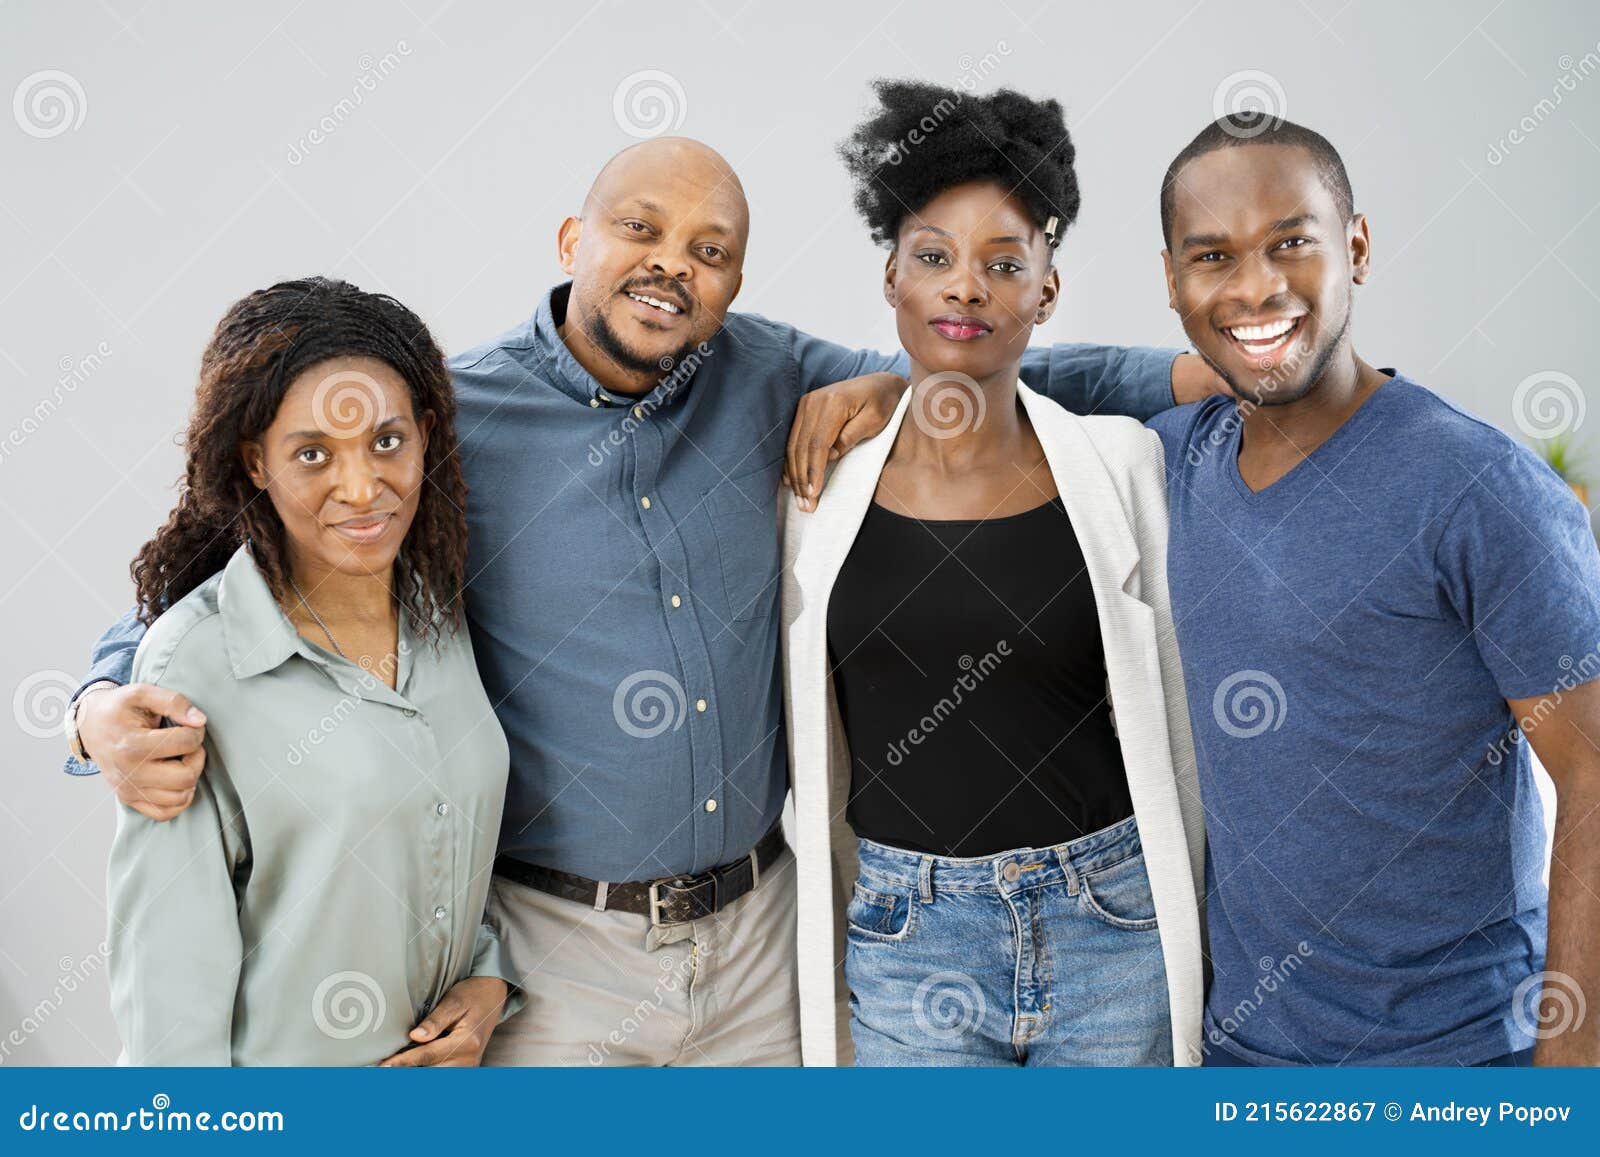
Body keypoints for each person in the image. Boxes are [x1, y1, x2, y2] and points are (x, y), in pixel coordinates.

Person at [65, 138, 1219, 1066]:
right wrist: (103, 697)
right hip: (558, 956)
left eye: (709, 249)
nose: (673, 263)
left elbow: (976, 366)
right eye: (641, 229)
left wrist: (1204, 369)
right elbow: (235, 551)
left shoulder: (768, 374)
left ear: (732, 284)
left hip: (764, 936)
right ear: (573, 241)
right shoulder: (440, 418)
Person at [1149, 114, 1600, 1066]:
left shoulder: (1475, 486)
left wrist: (1573, 1078)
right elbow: (1019, 379)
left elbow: (1595, 776)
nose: (1255, 287)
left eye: (1290, 244)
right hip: (1243, 1055)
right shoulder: (1178, 459)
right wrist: (895, 384)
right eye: (1213, 257)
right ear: (1174, 282)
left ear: (1355, 246)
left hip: (1461, 1056)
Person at [782, 82, 1204, 1066]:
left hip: (1114, 923)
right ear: (892, 276)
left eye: (1002, 264)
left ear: (1045, 291)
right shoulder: (813, 490)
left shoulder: (1123, 466)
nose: (965, 287)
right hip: (906, 937)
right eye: (934, 257)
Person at [105, 277, 518, 1065]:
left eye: (387, 442)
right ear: (254, 462)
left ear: (427, 434)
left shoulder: (444, 614)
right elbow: (168, 997)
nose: (363, 488)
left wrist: (486, 980)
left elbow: (435, 846)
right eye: (313, 454)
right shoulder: (194, 662)